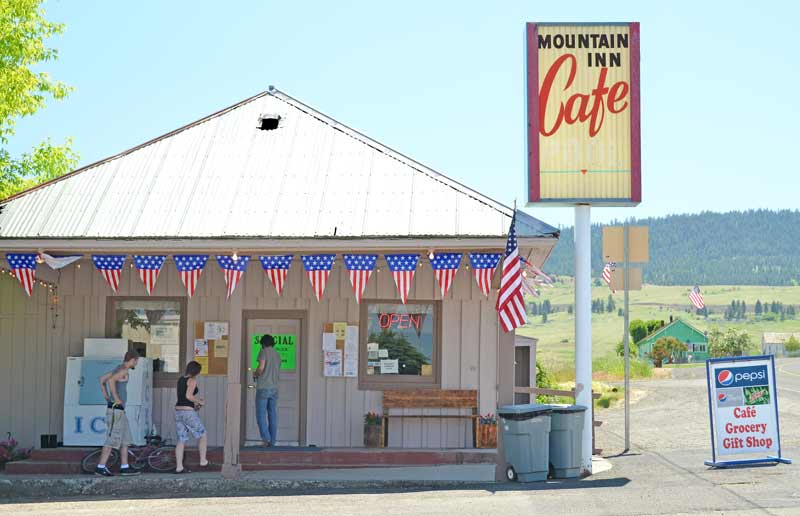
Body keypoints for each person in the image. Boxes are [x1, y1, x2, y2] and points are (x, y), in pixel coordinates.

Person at [95, 350, 141, 477]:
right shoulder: (123, 370)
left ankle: (124, 467)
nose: (136, 363)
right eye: (136, 361)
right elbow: (110, 382)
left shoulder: (118, 368)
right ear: (133, 360)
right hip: (116, 410)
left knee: (125, 439)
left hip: (120, 411)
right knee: (112, 439)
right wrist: (115, 398)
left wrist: (105, 395)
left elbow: (102, 379)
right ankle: (100, 467)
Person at [174, 360, 209, 473]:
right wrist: (200, 401)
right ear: (196, 371)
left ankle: (179, 467)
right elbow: (188, 396)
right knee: (202, 434)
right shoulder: (192, 380)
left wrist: (195, 405)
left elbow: (183, 398)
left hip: (178, 412)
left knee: (181, 439)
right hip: (187, 413)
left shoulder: (181, 380)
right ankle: (203, 460)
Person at [253, 334, 280, 447]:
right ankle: (272, 441)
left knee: (260, 415)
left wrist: (255, 373)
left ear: (263, 343)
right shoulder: (277, 354)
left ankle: (266, 439)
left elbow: (261, 368)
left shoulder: (263, 351)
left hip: (263, 387)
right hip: (274, 388)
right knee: (272, 414)